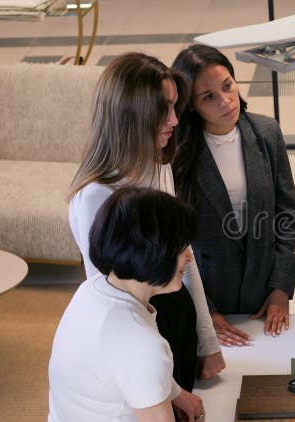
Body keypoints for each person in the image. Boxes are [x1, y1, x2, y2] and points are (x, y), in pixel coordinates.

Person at [68, 52, 224, 393]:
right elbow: (107, 306)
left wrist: (206, 341)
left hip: (177, 314)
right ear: (131, 116)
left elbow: (187, 256)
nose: (175, 120)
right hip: (140, 332)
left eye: (174, 107)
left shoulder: (159, 163)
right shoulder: (94, 198)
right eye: (163, 110)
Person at [171, 44, 295, 345]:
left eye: (227, 85)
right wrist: (204, 312)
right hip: (208, 293)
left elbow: (287, 216)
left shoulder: (266, 132)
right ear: (191, 105)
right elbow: (176, 241)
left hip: (263, 289)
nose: (226, 101)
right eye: (208, 97)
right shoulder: (177, 154)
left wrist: (281, 287)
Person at [50, 187, 206, 422]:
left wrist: (177, 393)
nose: (189, 257)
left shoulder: (91, 290)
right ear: (153, 252)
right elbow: (139, 357)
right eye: (181, 248)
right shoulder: (141, 342)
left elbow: (127, 366)